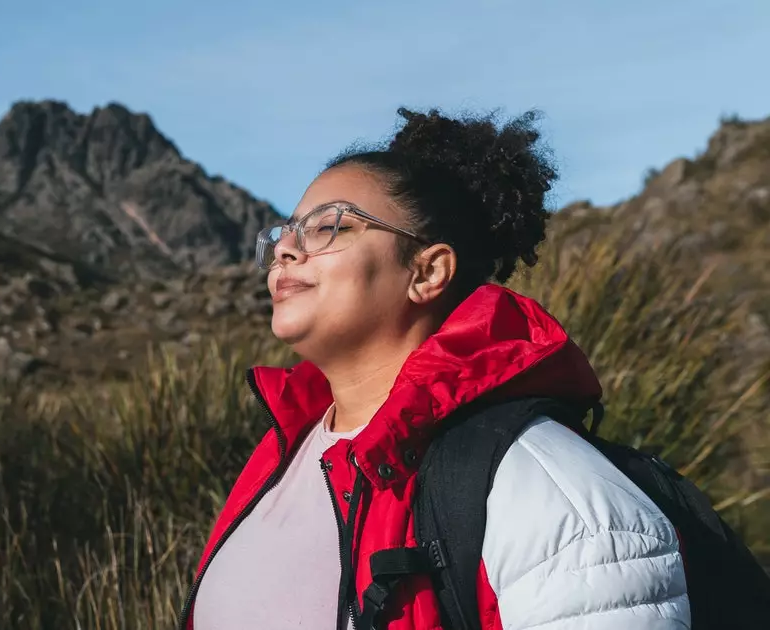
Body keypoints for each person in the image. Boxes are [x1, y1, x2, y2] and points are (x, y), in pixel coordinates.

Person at [178, 108, 690, 630]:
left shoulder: (543, 484)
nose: (285, 249)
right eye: (285, 234)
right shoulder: (282, 453)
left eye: (330, 226)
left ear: (426, 272)